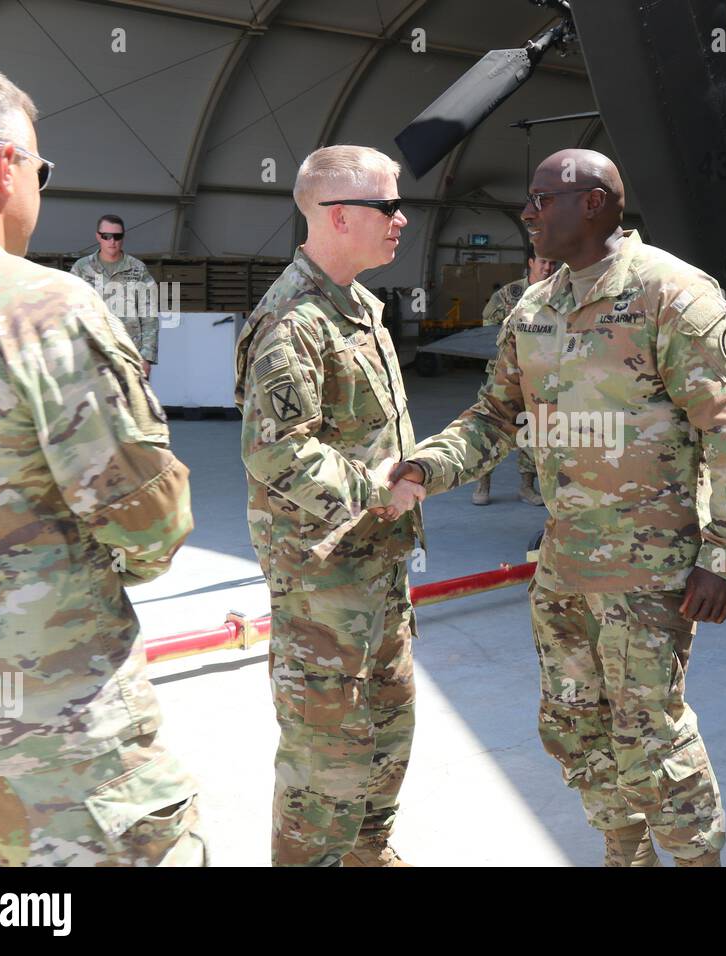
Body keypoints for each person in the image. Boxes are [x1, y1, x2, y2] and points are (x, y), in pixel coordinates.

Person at [390, 149, 726, 866]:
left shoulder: (672, 295)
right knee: (571, 726)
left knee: (650, 732)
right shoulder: (534, 310)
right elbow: (494, 418)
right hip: (563, 565)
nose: (528, 213)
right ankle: (623, 851)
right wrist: (424, 466)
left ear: (593, 203)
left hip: (648, 571)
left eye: (541, 198)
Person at [0, 58, 202, 865]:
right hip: (48, 730)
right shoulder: (39, 304)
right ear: (5, 165)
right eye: (40, 166)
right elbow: (151, 524)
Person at [234, 145, 426, 867]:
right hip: (323, 587)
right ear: (341, 216)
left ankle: (369, 855)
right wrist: (379, 488)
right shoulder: (294, 320)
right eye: (388, 206)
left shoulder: (359, 307)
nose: (402, 219)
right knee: (326, 761)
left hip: (376, 569)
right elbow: (276, 450)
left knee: (386, 733)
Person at [472, 252, 558, 506]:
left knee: (533, 429)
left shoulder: (560, 294)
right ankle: (483, 482)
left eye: (552, 262)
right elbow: (487, 329)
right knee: (491, 424)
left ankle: (526, 486)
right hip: (503, 373)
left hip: (539, 375)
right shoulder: (510, 295)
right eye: (543, 261)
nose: (547, 267)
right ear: (531, 263)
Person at [70, 214, 160, 377]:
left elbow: (149, 315)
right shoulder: (81, 268)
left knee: (132, 401)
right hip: (93, 353)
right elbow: (71, 311)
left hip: (130, 353)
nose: (112, 241)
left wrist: (146, 357)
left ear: (123, 237)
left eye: (117, 236)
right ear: (98, 236)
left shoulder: (137, 269)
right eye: (106, 236)